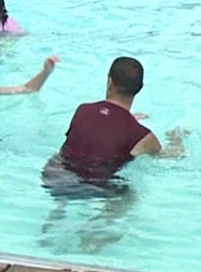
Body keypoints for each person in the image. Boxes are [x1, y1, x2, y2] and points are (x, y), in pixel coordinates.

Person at [43, 57, 185, 185]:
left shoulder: (83, 110)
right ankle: (105, 215)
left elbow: (99, 132)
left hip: (53, 175)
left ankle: (58, 208)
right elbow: (171, 156)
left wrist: (127, 119)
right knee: (130, 195)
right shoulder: (142, 136)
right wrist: (176, 138)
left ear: (110, 82)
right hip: (93, 187)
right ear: (140, 89)